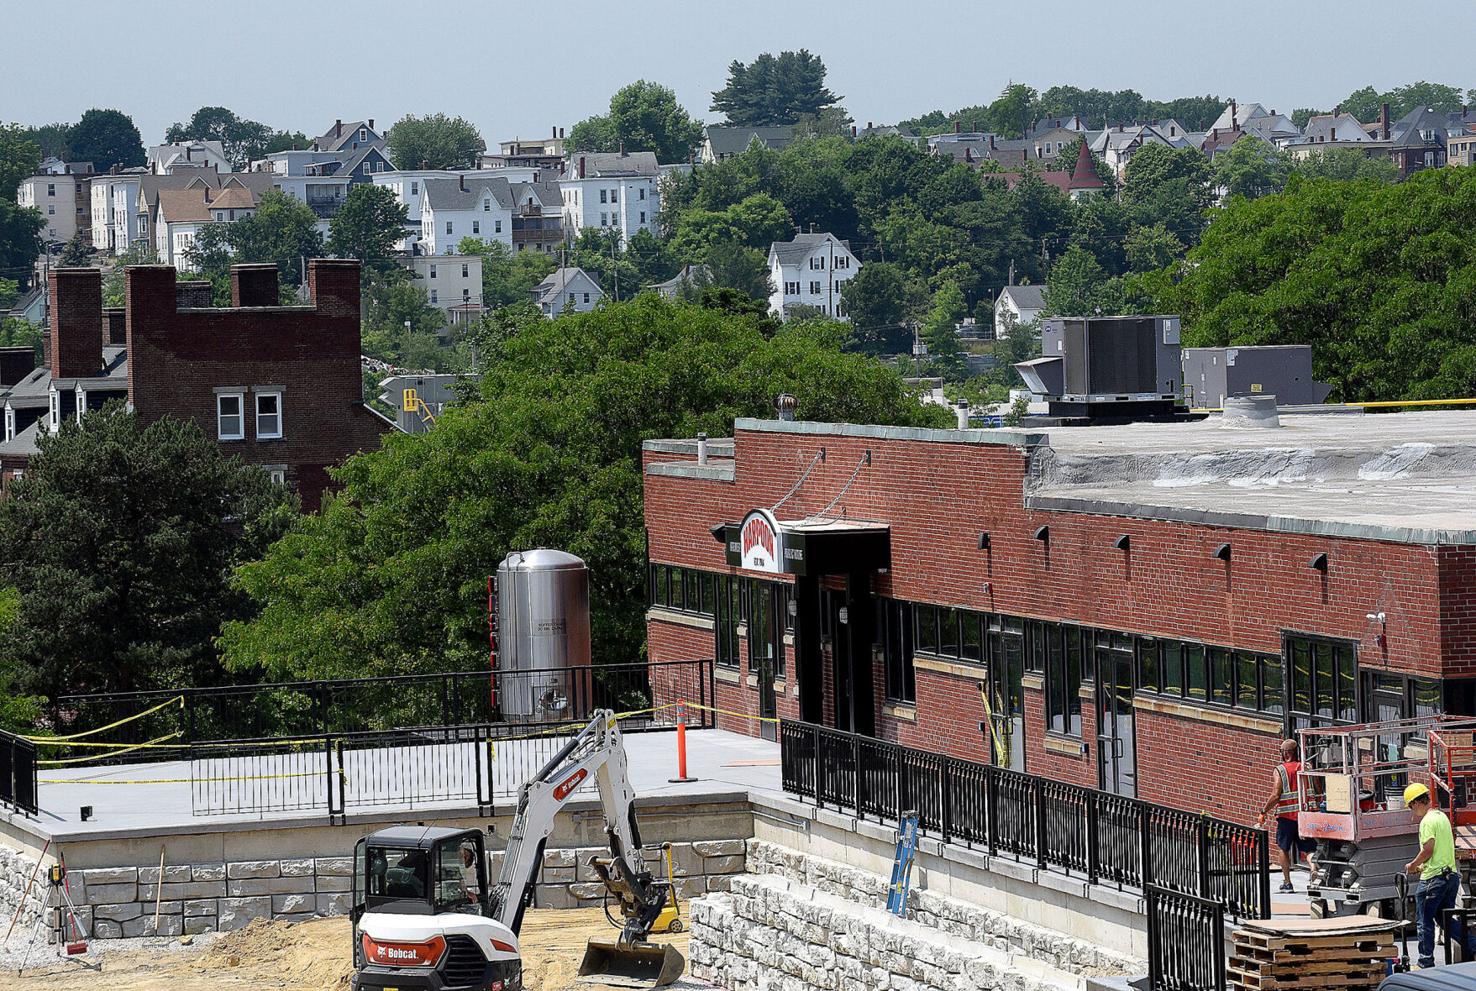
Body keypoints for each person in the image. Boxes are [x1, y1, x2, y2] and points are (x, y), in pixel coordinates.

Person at [1403, 782, 1476, 969]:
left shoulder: (1427, 821)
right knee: (1445, 919)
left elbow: (1428, 849)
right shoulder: (1441, 817)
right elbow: (1441, 850)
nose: (1412, 812)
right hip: (1450, 877)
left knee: (1424, 921)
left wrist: (1413, 865)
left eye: (1411, 807)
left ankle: (1424, 962)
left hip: (1433, 879)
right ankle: (1474, 946)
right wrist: (1424, 865)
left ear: (1416, 803)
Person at [1256, 739, 1314, 893]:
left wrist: (1263, 811)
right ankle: (1315, 875)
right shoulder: (1307, 767)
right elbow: (1317, 791)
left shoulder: (1280, 770)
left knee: (1283, 848)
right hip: (1306, 816)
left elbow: (1276, 794)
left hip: (1287, 818)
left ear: (1286, 753)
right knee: (1309, 850)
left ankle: (1287, 883)